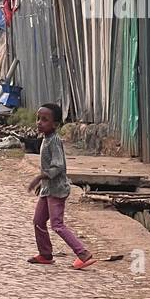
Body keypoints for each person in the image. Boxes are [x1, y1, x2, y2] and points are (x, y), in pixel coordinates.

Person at [28, 103, 95, 269]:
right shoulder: (46, 139)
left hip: (57, 190)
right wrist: (42, 183)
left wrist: (40, 177)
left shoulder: (54, 142)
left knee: (57, 225)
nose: (39, 122)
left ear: (55, 124)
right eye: (38, 119)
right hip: (47, 188)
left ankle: (83, 253)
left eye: (44, 120)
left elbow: (58, 166)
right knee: (38, 221)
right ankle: (45, 254)